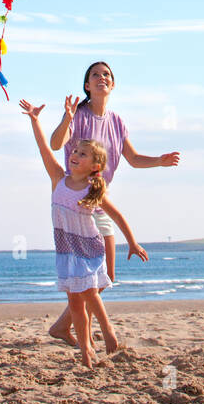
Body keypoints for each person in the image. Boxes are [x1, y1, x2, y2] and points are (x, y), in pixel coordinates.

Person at [46, 61, 179, 346]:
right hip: (77, 200)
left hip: (99, 198)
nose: (101, 77)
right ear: (87, 85)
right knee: (92, 277)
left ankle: (63, 327)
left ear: (113, 84)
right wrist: (67, 118)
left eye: (106, 74)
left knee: (105, 275)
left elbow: (132, 158)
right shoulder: (78, 115)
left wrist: (159, 161)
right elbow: (56, 145)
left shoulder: (117, 121)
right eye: (95, 74)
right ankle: (90, 333)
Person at [20, 100, 148, 368]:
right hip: (66, 250)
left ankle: (109, 331)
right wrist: (35, 121)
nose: (74, 155)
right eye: (75, 151)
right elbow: (45, 149)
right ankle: (85, 350)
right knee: (75, 303)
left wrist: (132, 243)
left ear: (94, 165)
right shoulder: (58, 177)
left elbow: (117, 216)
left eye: (82, 154)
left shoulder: (93, 189)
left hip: (89, 249)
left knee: (91, 293)